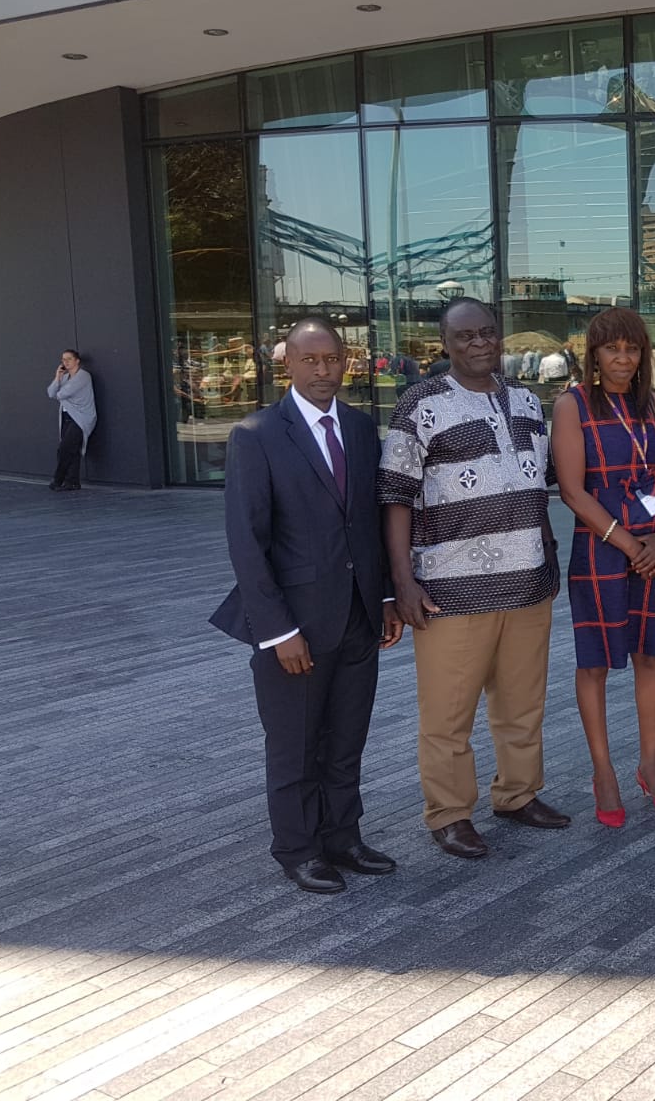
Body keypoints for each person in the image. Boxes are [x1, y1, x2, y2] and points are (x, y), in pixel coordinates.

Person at [209, 318, 403, 894]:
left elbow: (368, 525)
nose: (323, 371)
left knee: (346, 739)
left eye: (332, 360)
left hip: (359, 617)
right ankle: (297, 849)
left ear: (347, 362)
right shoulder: (257, 433)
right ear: (287, 364)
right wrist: (276, 631)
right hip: (293, 626)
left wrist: (387, 597)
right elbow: (248, 543)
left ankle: (342, 837)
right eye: (310, 360)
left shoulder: (364, 429)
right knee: (294, 744)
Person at [378, 298, 568, 861]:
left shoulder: (529, 402)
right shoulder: (419, 404)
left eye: (487, 333)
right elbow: (393, 497)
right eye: (465, 337)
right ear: (446, 345)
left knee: (522, 705)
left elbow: (547, 483)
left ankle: (517, 794)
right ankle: (450, 813)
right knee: (447, 714)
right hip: (450, 589)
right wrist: (403, 583)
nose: (479, 343)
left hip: (528, 583)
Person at [554, 309, 655, 826]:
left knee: (650, 656)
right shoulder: (573, 406)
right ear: (593, 354)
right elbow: (572, 491)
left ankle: (650, 766)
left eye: (632, 349)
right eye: (612, 348)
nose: (623, 358)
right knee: (595, 663)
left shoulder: (651, 404)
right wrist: (629, 544)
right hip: (602, 547)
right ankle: (604, 772)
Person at [47, 348, 96, 491]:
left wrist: (58, 390)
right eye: (63, 359)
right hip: (67, 417)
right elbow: (51, 393)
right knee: (72, 450)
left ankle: (58, 480)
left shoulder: (83, 376)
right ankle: (72, 482)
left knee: (65, 449)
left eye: (69, 359)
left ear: (77, 361)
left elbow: (62, 394)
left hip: (80, 417)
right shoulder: (65, 377)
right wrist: (57, 377)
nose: (65, 362)